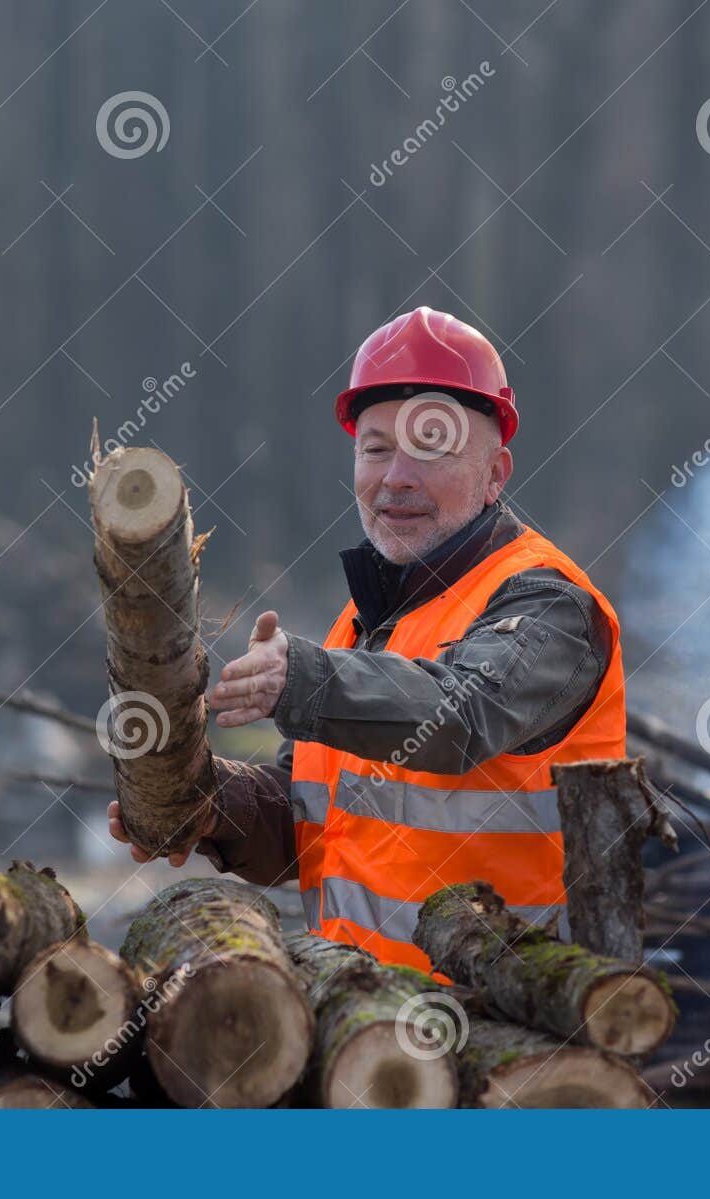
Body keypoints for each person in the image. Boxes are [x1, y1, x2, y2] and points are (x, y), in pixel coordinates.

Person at [109, 305, 626, 971]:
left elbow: (460, 714)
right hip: (362, 1027)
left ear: (496, 473)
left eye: (430, 448)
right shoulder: (368, 621)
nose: (395, 477)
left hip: (513, 1041)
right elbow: (313, 831)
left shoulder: (549, 604)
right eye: (376, 448)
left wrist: (302, 679)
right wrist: (207, 804)